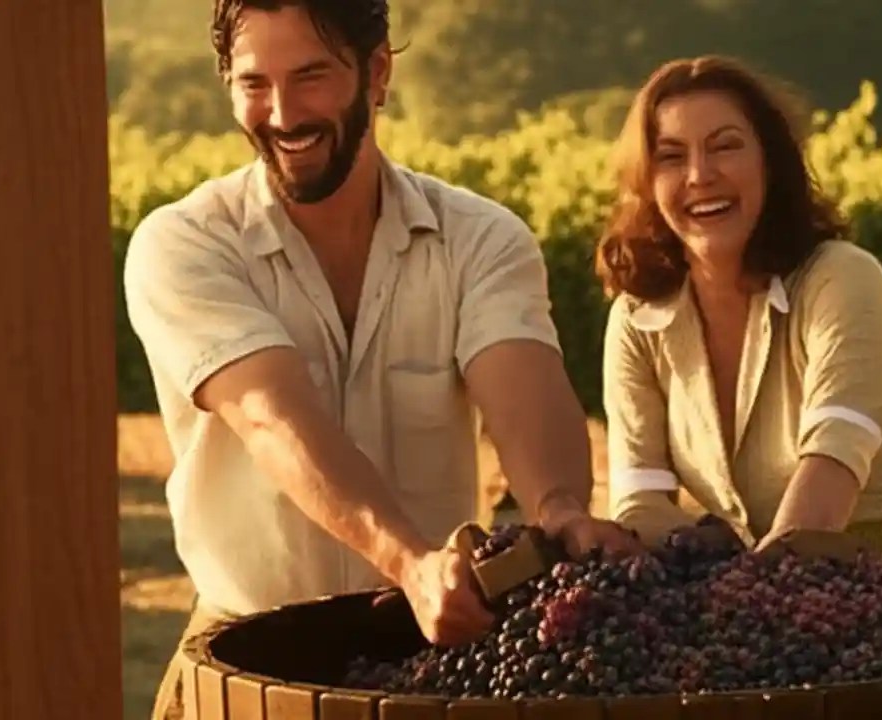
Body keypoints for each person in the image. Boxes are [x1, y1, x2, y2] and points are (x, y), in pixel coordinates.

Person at [123, 1, 639, 718]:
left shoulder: (480, 239)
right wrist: (409, 563)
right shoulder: (185, 246)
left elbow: (520, 379)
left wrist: (558, 510)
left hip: (435, 663)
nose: (282, 113)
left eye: (310, 77)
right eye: (254, 83)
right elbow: (271, 415)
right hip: (240, 662)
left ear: (377, 72)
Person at [596, 55, 882, 562]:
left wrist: (751, 592)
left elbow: (832, 465)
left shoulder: (841, 278)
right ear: (646, 183)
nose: (700, 175)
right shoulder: (638, 321)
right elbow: (639, 504)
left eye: (726, 146)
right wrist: (716, 567)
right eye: (671, 157)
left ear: (770, 163)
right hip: (733, 602)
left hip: (865, 598)